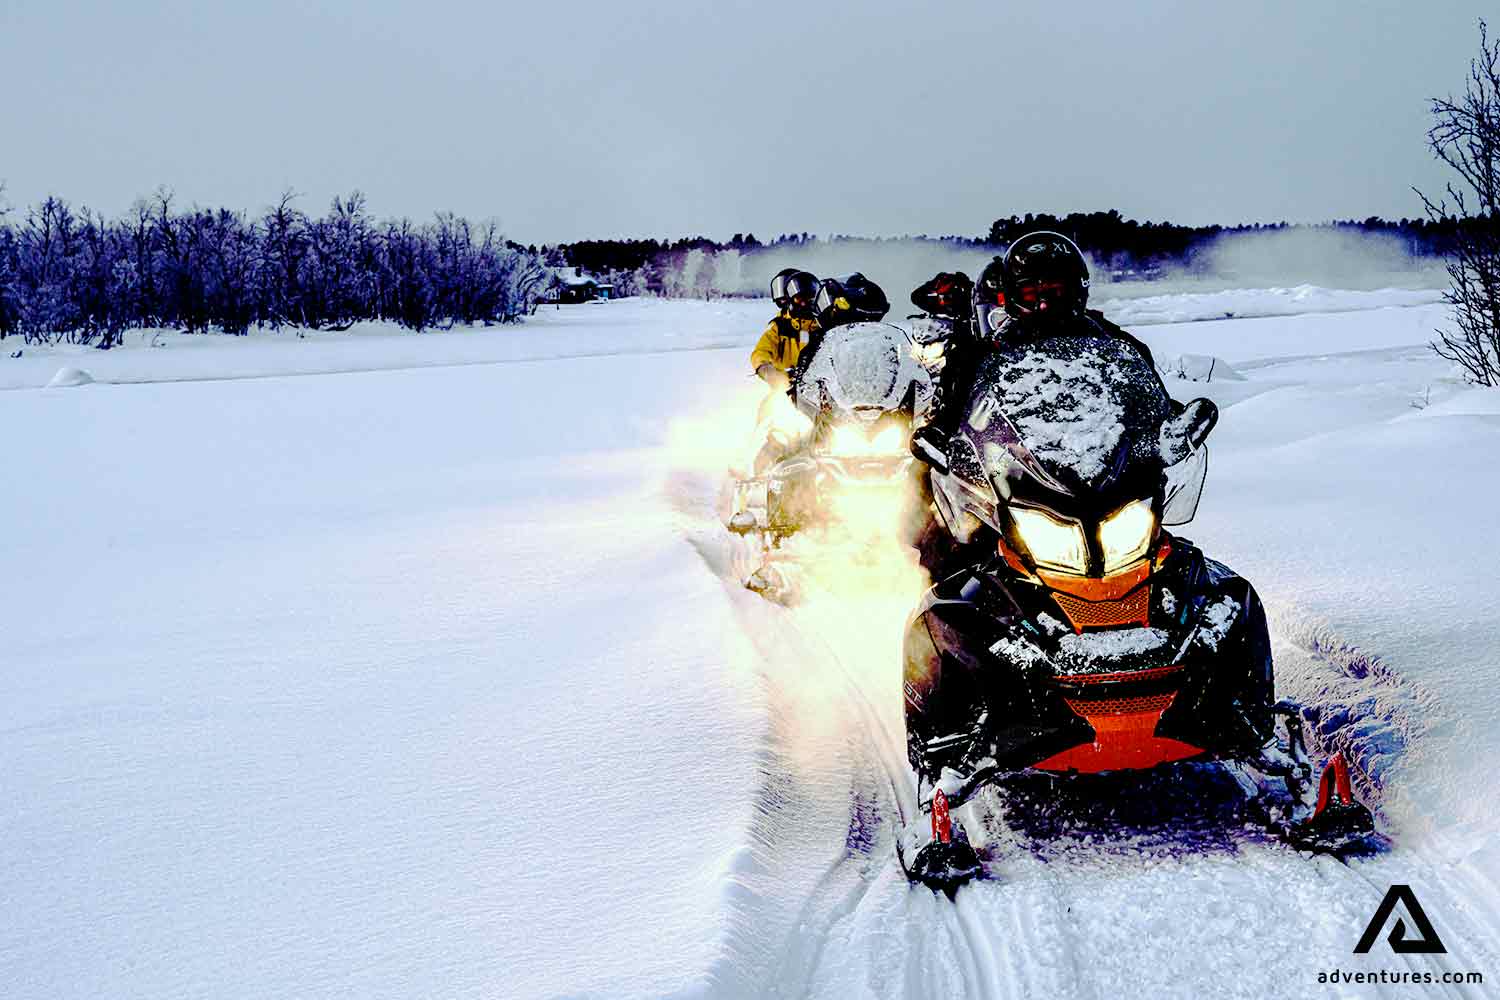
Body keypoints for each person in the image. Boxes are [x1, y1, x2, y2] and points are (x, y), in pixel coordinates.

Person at [750, 270, 821, 392]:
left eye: (808, 298)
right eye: (799, 298)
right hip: (788, 384)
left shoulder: (822, 323)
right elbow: (762, 350)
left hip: (821, 383)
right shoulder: (779, 326)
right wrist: (765, 369)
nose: (804, 303)